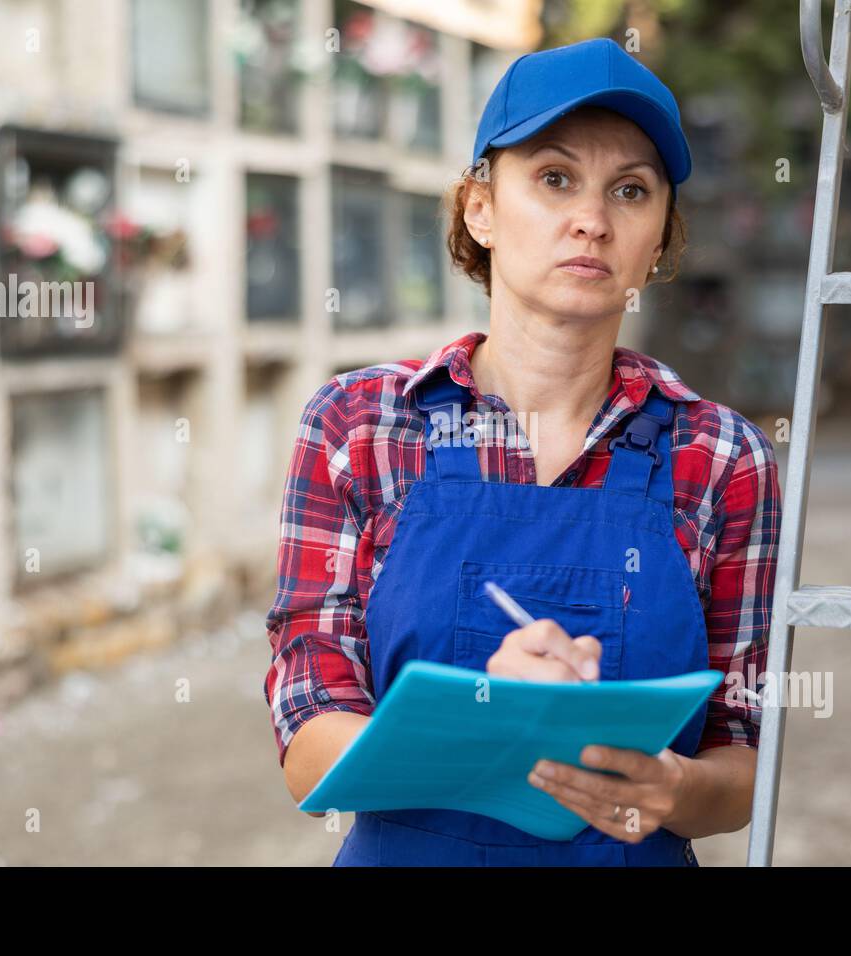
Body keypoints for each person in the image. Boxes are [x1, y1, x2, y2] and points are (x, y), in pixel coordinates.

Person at [265, 36, 782, 866]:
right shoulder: (360, 426)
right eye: (553, 178)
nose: (592, 218)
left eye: (631, 190)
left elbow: (749, 754)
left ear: (659, 239)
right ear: (480, 209)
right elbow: (307, 736)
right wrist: (488, 718)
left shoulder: (723, 459)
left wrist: (671, 789)